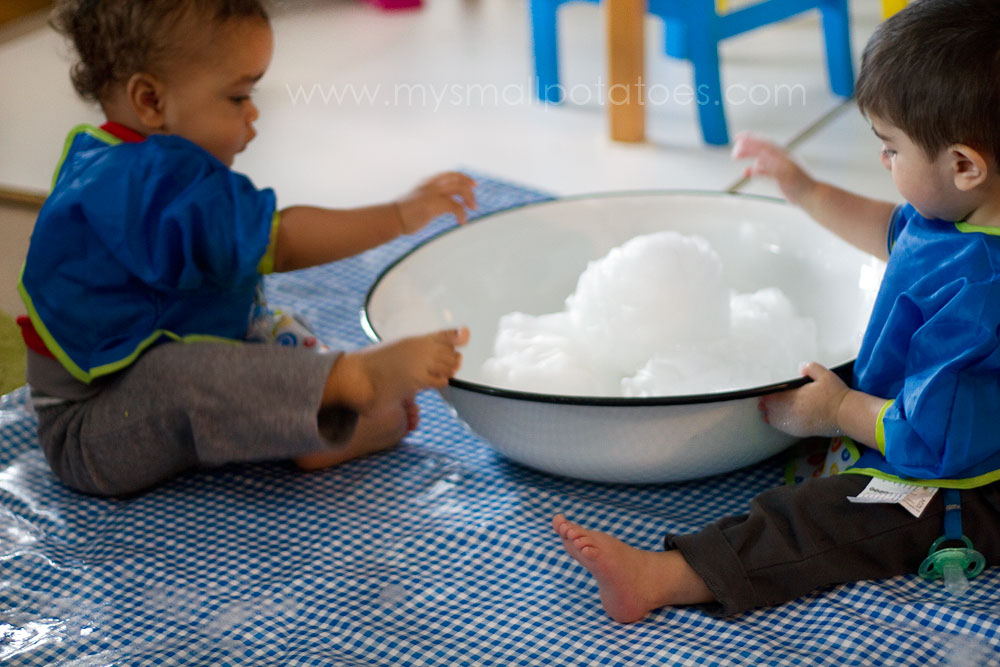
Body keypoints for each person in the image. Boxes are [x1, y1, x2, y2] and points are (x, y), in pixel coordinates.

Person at [553, 0, 1000, 620]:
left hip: (965, 485)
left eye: (891, 148)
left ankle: (666, 576)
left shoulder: (982, 293)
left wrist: (839, 411)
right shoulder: (958, 215)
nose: (882, 161)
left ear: (963, 165)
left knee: (825, 520)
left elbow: (932, 439)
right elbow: (892, 231)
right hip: (920, 421)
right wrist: (805, 189)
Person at [17, 0, 476, 497]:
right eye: (238, 97)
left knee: (267, 335)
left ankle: (320, 424)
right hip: (92, 431)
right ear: (150, 101)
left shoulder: (135, 160)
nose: (253, 112)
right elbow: (285, 241)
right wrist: (398, 216)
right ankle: (354, 382)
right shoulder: (138, 187)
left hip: (146, 376)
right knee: (189, 378)